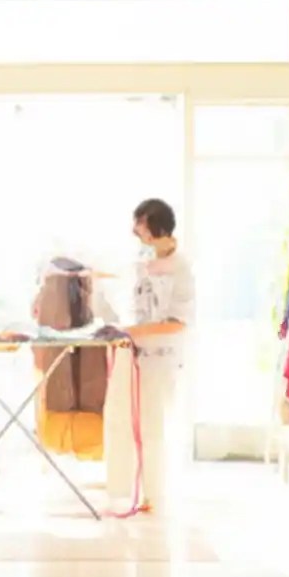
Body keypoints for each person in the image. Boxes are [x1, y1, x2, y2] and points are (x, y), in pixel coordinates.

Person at [103, 198, 195, 514]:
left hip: (161, 356)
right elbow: (130, 300)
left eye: (140, 225)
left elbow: (178, 321)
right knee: (122, 420)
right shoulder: (141, 261)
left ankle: (154, 494)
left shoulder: (182, 268)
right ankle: (127, 489)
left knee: (154, 425)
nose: (135, 231)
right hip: (133, 352)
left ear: (155, 226)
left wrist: (133, 332)